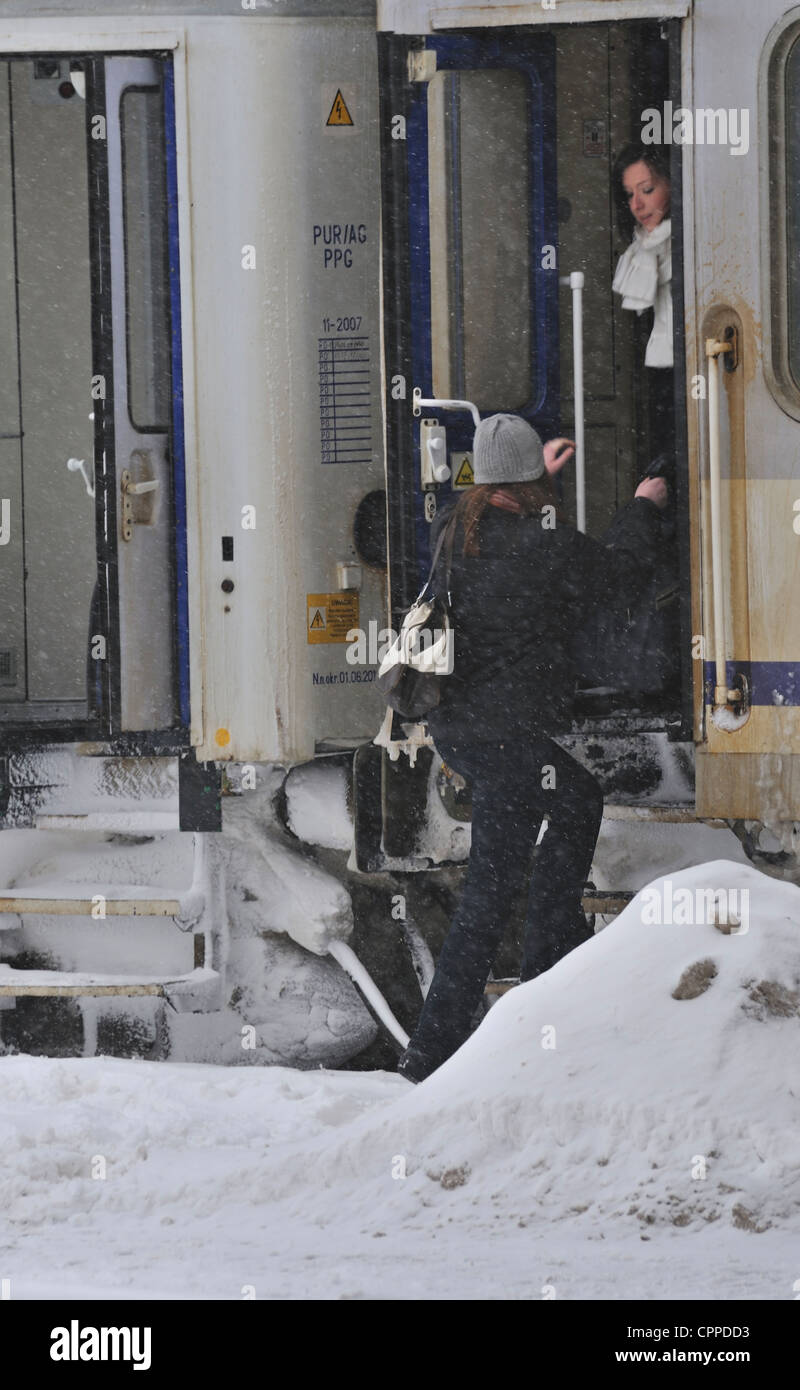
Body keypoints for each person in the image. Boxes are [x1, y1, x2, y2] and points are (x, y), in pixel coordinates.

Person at [397, 413, 667, 1084]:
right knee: (578, 799)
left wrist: (531, 468)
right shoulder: (545, 546)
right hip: (509, 735)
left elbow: (509, 504)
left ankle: (428, 1052)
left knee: (489, 892)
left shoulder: (455, 533)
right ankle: (552, 956)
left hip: (460, 729)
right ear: (531, 482)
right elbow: (623, 573)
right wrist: (642, 505)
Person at [612, 143, 674, 457]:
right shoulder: (641, 248)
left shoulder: (690, 241)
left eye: (647, 190)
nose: (637, 204)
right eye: (628, 194)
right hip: (661, 374)